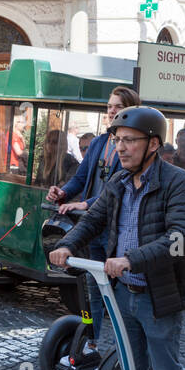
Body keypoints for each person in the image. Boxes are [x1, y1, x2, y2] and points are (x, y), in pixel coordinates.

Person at [48, 106, 185, 370]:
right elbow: (94, 219)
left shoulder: (177, 182)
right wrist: (67, 244)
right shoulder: (117, 183)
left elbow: (181, 239)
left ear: (153, 144)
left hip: (159, 295)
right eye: (117, 141)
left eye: (129, 141)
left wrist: (132, 259)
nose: (121, 148)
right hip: (122, 294)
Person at [44, 86, 138, 352]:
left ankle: (125, 348)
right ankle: (93, 342)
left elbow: (118, 189)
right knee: (92, 288)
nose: (111, 111)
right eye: (109, 106)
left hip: (118, 228)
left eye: (117, 107)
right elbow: (81, 178)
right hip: (94, 227)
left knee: (120, 290)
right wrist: (63, 192)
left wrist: (85, 203)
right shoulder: (98, 143)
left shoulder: (131, 148)